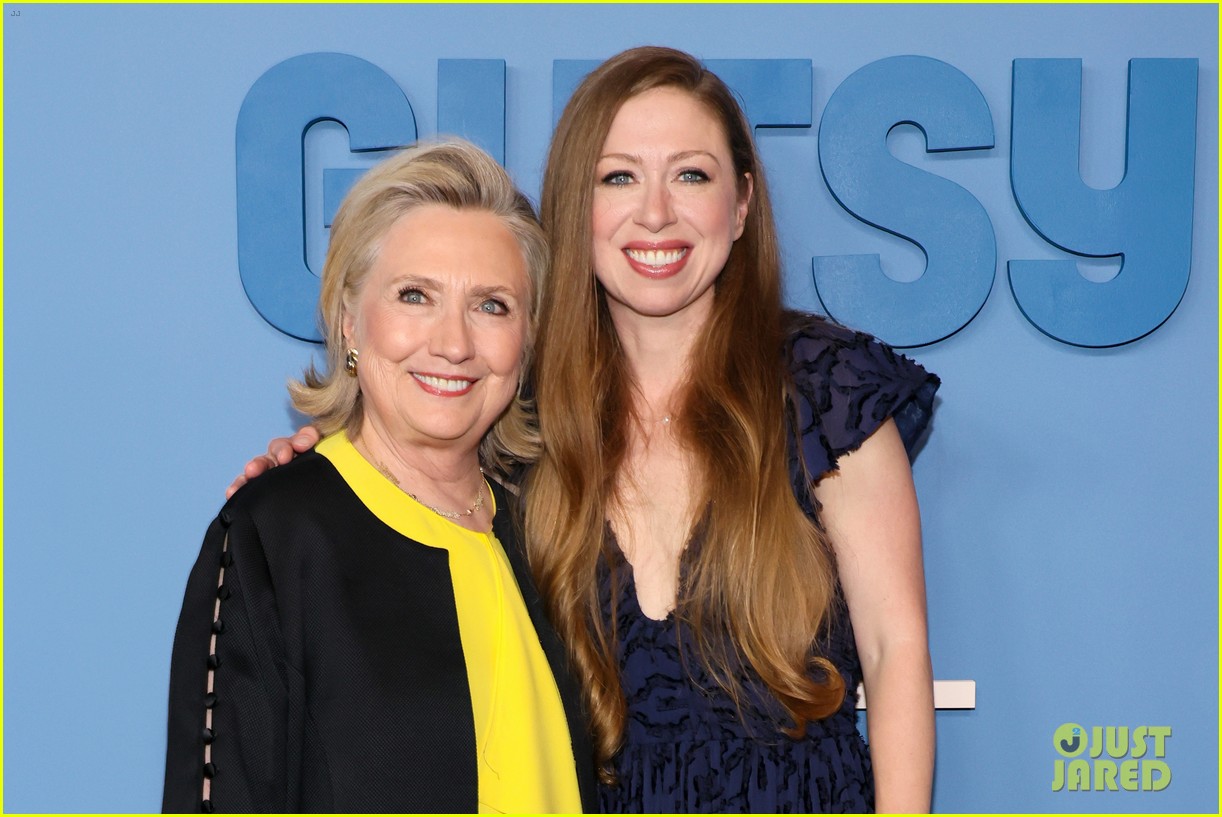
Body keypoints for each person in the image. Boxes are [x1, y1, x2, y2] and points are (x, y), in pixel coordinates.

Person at [237, 47, 939, 813]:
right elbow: (405, 497)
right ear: (578, 205)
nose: (656, 213)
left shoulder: (824, 390)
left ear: (740, 205)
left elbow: (893, 654)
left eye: (691, 175)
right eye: (619, 176)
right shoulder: (520, 413)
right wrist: (304, 480)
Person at [165, 139, 597, 813]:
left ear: (529, 338)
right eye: (415, 295)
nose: (453, 343)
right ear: (348, 320)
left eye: (492, 305)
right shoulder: (276, 535)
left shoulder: (553, 530)